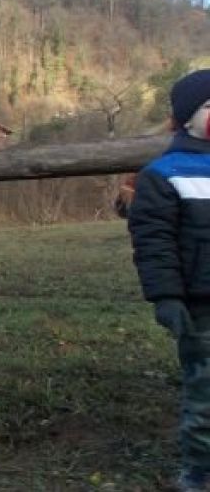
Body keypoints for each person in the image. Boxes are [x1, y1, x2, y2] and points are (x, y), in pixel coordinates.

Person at [128, 68, 210, 492]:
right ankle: (199, 473)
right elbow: (154, 241)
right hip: (200, 307)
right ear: (186, 116)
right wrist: (166, 297)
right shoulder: (164, 174)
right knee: (206, 396)